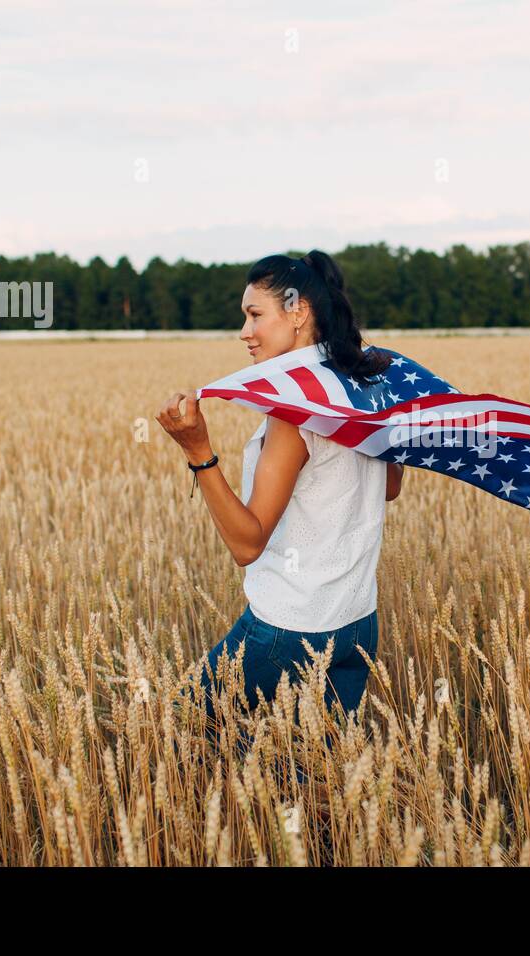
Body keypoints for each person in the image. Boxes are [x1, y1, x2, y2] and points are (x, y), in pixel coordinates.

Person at [156, 250, 404, 746]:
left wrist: (198, 452)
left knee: (180, 730)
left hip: (290, 626)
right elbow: (390, 488)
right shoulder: (365, 387)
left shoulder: (293, 412)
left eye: (254, 315)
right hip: (356, 622)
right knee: (316, 774)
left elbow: (247, 544)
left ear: (298, 312)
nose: (244, 332)